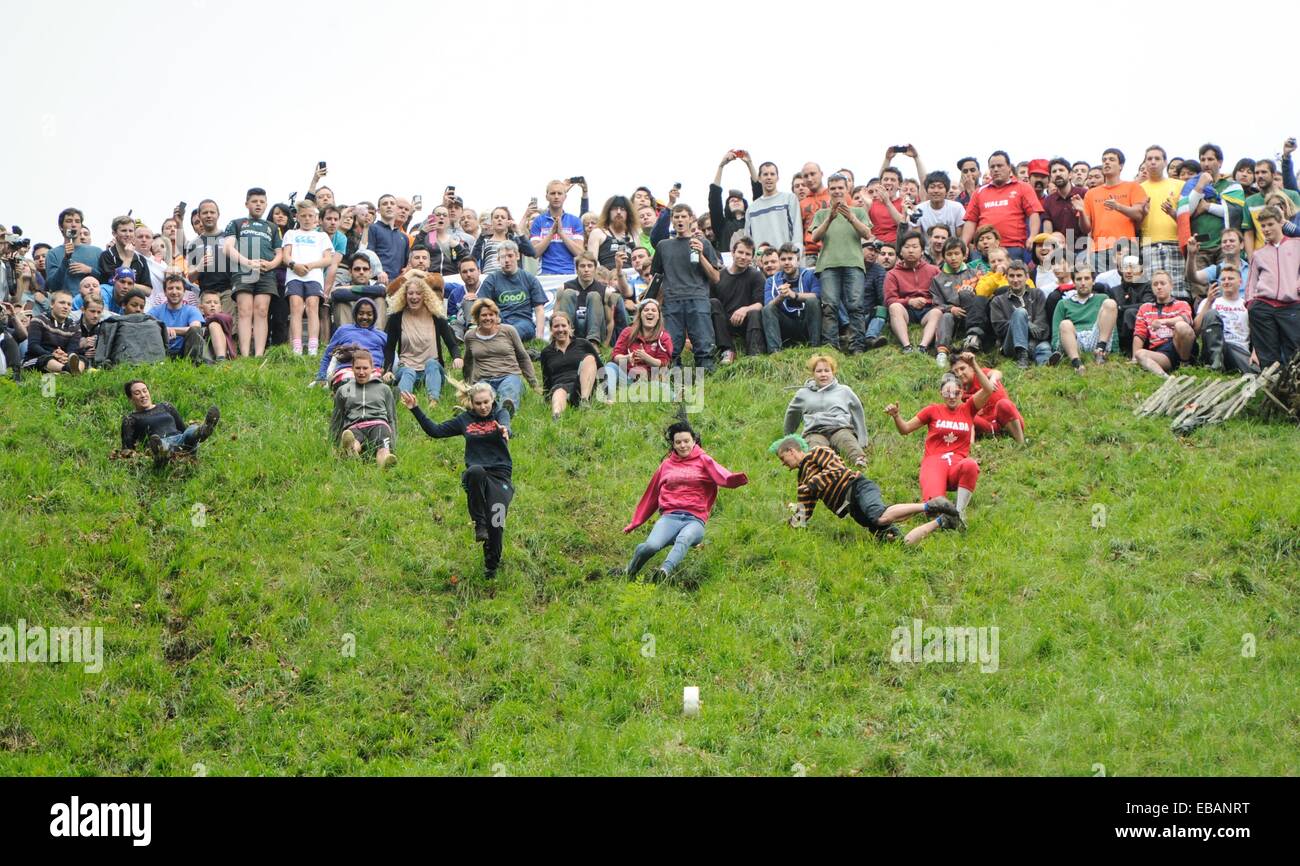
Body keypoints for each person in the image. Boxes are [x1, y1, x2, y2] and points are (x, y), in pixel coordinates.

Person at [402, 381, 515, 580]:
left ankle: (491, 566)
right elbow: (435, 431)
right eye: (478, 403)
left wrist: (505, 431)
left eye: (486, 402)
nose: (483, 407)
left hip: (500, 477)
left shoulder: (500, 414)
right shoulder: (465, 420)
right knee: (475, 471)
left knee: (497, 521)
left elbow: (506, 425)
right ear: (471, 403)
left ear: (493, 400)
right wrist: (415, 409)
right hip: (477, 477)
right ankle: (479, 525)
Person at [616, 420, 748, 582]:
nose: (683, 445)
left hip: (695, 520)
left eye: (686, 441)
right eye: (678, 442)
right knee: (650, 547)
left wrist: (735, 480)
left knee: (684, 538)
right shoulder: (666, 465)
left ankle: (663, 572)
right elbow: (651, 496)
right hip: (669, 518)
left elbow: (722, 476)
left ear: (694, 441)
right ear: (673, 444)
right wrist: (635, 522)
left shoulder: (704, 460)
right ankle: (629, 572)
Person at [771, 434, 960, 545]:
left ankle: (931, 505)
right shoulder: (802, 481)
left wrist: (813, 483)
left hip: (857, 488)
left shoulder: (817, 452)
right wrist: (788, 528)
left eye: (782, 458)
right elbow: (804, 512)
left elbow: (837, 469)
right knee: (897, 543)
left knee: (881, 516)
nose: (783, 464)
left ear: (792, 451)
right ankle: (942, 521)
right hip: (852, 509)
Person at [885, 356, 996, 534]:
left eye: (956, 393)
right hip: (934, 462)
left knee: (971, 465)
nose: (952, 397)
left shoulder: (968, 408)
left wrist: (973, 364)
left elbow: (988, 389)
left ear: (962, 392)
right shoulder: (932, 410)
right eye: (947, 393)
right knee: (934, 506)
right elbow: (905, 429)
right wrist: (896, 416)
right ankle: (943, 517)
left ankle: (958, 514)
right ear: (941, 393)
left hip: (957, 463)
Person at [652, 204, 722, 369]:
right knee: (670, 348)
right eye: (676, 217)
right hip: (671, 301)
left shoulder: (703, 243)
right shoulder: (663, 246)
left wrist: (700, 255)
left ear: (691, 219)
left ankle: (708, 382)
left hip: (698, 298)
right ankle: (673, 382)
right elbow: (656, 278)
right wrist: (655, 302)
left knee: (704, 347)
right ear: (672, 220)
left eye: (683, 216)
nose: (680, 220)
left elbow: (716, 277)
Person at [809, 174, 874, 352]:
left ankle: (857, 346)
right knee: (829, 307)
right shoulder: (821, 214)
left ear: (847, 190)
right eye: (833, 188)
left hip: (853, 263)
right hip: (828, 265)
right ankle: (831, 347)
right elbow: (814, 237)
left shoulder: (859, 211)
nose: (837, 191)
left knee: (856, 306)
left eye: (840, 188)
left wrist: (851, 217)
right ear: (828, 190)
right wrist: (829, 218)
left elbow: (867, 234)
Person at [383, 272, 460, 408]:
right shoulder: (396, 317)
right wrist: (388, 370)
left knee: (432, 364)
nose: (414, 297)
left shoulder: (437, 316)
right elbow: (389, 347)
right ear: (405, 296)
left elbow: (451, 343)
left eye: (418, 293)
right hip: (407, 367)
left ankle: (433, 400)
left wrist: (457, 357)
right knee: (408, 371)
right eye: (410, 293)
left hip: (431, 370)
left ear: (425, 295)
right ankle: (402, 401)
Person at [221, 188, 283, 357]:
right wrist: (247, 262)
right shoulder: (237, 223)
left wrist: (271, 265)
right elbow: (227, 248)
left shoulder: (272, 227)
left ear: (266, 205)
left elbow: (280, 253)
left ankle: (259, 354)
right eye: (254, 201)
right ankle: (245, 354)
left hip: (266, 273)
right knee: (244, 310)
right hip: (242, 271)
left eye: (262, 202)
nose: (258, 204)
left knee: (262, 311)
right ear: (247, 203)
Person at [460, 298, 539, 427]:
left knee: (508, 391)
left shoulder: (508, 331)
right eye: (484, 315)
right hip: (483, 379)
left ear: (497, 316)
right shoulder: (470, 336)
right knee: (483, 398)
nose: (488, 318)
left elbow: (523, 356)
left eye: (491, 315)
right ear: (477, 317)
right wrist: (468, 385)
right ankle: (472, 414)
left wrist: (533, 382)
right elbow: (468, 362)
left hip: (509, 375)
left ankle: (504, 417)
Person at [782, 355, 869, 467]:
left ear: (833, 372)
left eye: (827, 371)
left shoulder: (844, 391)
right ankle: (825, 469)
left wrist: (862, 438)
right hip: (814, 431)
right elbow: (791, 414)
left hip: (839, 428)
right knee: (816, 451)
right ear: (813, 374)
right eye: (819, 371)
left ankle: (859, 462)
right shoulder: (802, 394)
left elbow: (857, 412)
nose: (823, 374)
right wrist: (788, 439)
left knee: (847, 441)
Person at [1242, 206, 1300, 369]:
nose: (1266, 229)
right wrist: (1250, 304)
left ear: (1280, 223)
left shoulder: (1297, 245)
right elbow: (1251, 283)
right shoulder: (1258, 254)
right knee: (1267, 355)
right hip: (1263, 306)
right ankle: (1271, 387)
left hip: (1291, 306)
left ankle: (1293, 389)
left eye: (1270, 224)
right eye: (1263, 226)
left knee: (1295, 352)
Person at [280, 200, 340, 356]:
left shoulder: (321, 236)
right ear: (297, 217)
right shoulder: (291, 234)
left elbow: (328, 259)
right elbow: (285, 256)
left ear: (316, 218)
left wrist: (311, 266)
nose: (307, 219)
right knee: (296, 307)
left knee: (313, 306)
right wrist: (294, 265)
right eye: (303, 216)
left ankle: (313, 347)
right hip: (294, 275)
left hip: (314, 276)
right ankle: (297, 346)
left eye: (310, 216)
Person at [961, 151, 1044, 263]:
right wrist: (963, 245)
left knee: (1013, 280)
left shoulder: (1023, 188)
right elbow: (971, 220)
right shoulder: (979, 192)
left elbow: (1034, 213)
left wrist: (1033, 236)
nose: (996, 169)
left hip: (1012, 248)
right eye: (992, 167)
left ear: (1009, 167)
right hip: (983, 251)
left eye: (999, 166)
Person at [119, 379, 221, 467]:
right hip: (160, 443)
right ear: (130, 399)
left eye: (145, 391)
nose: (143, 395)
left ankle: (203, 430)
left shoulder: (166, 406)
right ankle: (162, 452)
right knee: (159, 443)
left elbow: (183, 429)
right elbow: (127, 449)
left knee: (191, 429)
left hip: (181, 440)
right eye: (137, 393)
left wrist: (189, 433)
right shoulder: (130, 419)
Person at [330, 348, 398, 469]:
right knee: (353, 440)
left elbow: (392, 418)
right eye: (358, 368)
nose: (361, 372)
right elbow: (337, 419)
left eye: (365, 368)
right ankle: (351, 451)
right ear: (352, 368)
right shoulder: (344, 390)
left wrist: (392, 443)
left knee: (382, 447)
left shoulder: (384, 389)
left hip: (378, 424)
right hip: (355, 425)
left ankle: (385, 462)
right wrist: (333, 444)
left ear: (372, 368)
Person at [1051, 264, 1118, 371]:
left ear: (1093, 281)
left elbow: (1112, 328)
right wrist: (1057, 348)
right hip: (1074, 341)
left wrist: (1115, 349)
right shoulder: (1063, 303)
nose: (1083, 283)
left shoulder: (1102, 298)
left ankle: (1100, 352)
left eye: (1087, 278)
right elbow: (1055, 334)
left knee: (1110, 303)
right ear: (1073, 282)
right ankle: (1077, 364)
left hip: (1097, 337)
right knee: (1065, 324)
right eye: (1079, 279)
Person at [930, 237, 988, 361]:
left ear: (964, 255)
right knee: (946, 316)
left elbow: (984, 295)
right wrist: (951, 308)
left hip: (973, 314)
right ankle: (942, 352)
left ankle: (974, 339)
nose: (953, 258)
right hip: (954, 316)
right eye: (949, 254)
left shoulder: (974, 273)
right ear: (944, 256)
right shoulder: (938, 279)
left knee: (966, 294)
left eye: (957, 253)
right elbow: (936, 302)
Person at [604, 298, 673, 402]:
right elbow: (615, 355)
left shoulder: (664, 336)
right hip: (626, 375)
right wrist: (627, 357)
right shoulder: (628, 332)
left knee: (665, 390)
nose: (650, 312)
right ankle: (610, 397)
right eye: (646, 310)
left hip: (650, 379)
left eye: (654, 310)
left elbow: (664, 362)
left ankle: (676, 398)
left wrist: (646, 358)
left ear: (658, 316)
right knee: (611, 366)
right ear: (640, 315)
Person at [709, 235, 765, 361]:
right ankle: (727, 350)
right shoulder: (719, 276)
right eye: (740, 252)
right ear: (733, 253)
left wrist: (745, 309)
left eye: (748, 254)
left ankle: (755, 354)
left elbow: (761, 303)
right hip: (723, 323)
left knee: (755, 312)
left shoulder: (756, 276)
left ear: (752, 257)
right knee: (712, 302)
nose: (743, 257)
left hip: (747, 321)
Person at [1194, 264, 1258, 373]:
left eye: (1231, 278)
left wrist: (1255, 353)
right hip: (1211, 348)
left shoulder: (1248, 305)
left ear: (1240, 282)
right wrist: (1209, 302)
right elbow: (1195, 330)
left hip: (1237, 349)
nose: (1226, 281)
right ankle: (1216, 363)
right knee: (1212, 314)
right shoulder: (1208, 301)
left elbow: (1258, 334)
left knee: (1255, 372)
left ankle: (1221, 366)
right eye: (1223, 279)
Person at [885, 230, 941, 354]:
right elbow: (890, 299)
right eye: (907, 247)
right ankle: (907, 346)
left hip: (927, 309)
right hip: (906, 311)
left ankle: (923, 346)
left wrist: (927, 301)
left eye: (915, 247)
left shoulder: (934, 270)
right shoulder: (892, 274)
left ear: (922, 251)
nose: (911, 250)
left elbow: (941, 296)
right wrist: (909, 301)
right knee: (894, 307)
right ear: (900, 251)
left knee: (937, 312)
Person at [477, 241, 547, 342]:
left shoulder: (529, 278)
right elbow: (482, 304)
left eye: (510, 256)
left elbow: (539, 309)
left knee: (512, 331)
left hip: (524, 323)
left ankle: (500, 341)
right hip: (499, 322)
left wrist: (539, 337)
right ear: (498, 259)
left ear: (517, 256)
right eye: (503, 257)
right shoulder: (491, 279)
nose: (507, 260)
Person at [990, 261, 1055, 367]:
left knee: (1044, 348)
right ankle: (1022, 356)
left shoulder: (1037, 294)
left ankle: (1045, 367)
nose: (1015, 280)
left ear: (1027, 277)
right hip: (1011, 345)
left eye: (1019, 276)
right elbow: (999, 329)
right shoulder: (997, 301)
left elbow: (1042, 322)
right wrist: (1025, 323)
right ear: (1006, 277)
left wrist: (1032, 341)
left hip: (1035, 342)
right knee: (1020, 313)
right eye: (1011, 276)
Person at [949, 354, 1025, 444]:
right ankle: (970, 447)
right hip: (989, 427)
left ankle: (1021, 443)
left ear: (971, 368)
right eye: (956, 372)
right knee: (964, 412)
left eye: (962, 369)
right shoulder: (960, 392)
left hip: (1008, 419)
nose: (960, 374)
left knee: (1004, 404)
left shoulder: (982, 374)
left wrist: (992, 379)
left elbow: (997, 373)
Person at [1132, 270, 1195, 377]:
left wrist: (1164, 321)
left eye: (1163, 283)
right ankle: (1165, 378)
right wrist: (1134, 358)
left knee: (1181, 325)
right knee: (1139, 354)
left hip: (1181, 346)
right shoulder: (1145, 308)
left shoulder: (1182, 304)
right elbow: (1139, 334)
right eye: (1155, 284)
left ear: (1171, 286)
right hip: (1161, 353)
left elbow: (1186, 320)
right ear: (1151, 288)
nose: (1159, 287)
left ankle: (1185, 365)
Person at [761, 242, 822, 352]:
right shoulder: (771, 281)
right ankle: (775, 352)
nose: (787, 262)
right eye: (783, 259)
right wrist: (781, 297)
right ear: (779, 261)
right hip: (787, 323)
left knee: (812, 301)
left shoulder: (810, 274)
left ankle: (815, 348)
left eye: (790, 259)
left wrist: (794, 295)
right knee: (767, 310)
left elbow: (817, 295)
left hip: (806, 321)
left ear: (798, 261)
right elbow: (768, 306)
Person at [539, 311, 601, 418]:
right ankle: (557, 416)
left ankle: (584, 403)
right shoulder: (546, 353)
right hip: (560, 389)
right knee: (559, 390)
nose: (560, 329)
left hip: (583, 387)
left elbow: (601, 370)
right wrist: (547, 400)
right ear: (551, 329)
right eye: (556, 326)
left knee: (590, 359)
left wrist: (608, 396)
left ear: (570, 327)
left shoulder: (583, 344)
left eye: (563, 325)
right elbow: (546, 381)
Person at [315, 298, 388, 388]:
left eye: (369, 314)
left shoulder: (382, 336)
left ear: (375, 316)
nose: (365, 317)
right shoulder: (343, 330)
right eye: (361, 314)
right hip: (346, 369)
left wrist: (388, 372)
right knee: (349, 386)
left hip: (372, 371)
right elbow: (328, 354)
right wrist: (321, 377)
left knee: (373, 387)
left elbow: (391, 357)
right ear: (355, 314)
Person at [554, 252, 617, 345]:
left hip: (596, 331)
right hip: (572, 329)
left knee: (594, 296)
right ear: (577, 269)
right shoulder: (563, 288)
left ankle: (593, 343)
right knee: (568, 293)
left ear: (595, 269)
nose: (586, 270)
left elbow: (609, 321)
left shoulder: (606, 291)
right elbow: (555, 318)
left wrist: (606, 344)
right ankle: (566, 341)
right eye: (582, 266)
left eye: (590, 266)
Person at [746, 160, 803, 255]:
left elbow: (797, 231)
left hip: (786, 260)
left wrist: (796, 254)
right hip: (762, 264)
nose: (769, 177)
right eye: (765, 174)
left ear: (777, 178)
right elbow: (748, 240)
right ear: (759, 178)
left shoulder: (789, 199)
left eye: (772, 174)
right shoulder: (751, 209)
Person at [23, 290, 86, 374]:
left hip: (62, 359)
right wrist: (53, 354)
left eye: (69, 304)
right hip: (37, 358)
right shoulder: (38, 320)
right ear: (52, 304)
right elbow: (33, 346)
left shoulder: (75, 327)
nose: (66, 307)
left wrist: (65, 356)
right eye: (62, 303)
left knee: (82, 359)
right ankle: (67, 369)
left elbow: (72, 350)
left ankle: (75, 371)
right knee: (46, 358)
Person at [530, 180, 586, 275]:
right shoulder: (538, 221)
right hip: (545, 274)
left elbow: (580, 253)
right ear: (547, 197)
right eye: (552, 193)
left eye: (559, 193)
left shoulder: (575, 221)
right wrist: (551, 233)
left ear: (565, 197)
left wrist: (561, 234)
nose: (556, 196)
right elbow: (535, 253)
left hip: (569, 274)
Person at [147, 273, 207, 361]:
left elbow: (196, 328)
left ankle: (193, 366)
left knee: (195, 331)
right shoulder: (156, 310)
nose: (174, 292)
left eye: (178, 288)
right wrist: (165, 330)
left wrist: (169, 330)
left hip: (185, 351)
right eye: (170, 288)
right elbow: (146, 326)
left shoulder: (192, 310)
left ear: (184, 292)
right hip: (161, 350)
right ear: (164, 292)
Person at [197, 288, 234, 361]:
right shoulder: (197, 318)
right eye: (208, 302)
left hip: (222, 351)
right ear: (201, 308)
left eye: (216, 302)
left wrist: (206, 321)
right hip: (203, 350)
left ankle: (221, 359)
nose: (212, 305)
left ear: (220, 308)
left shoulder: (225, 317)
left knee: (214, 325)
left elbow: (220, 317)